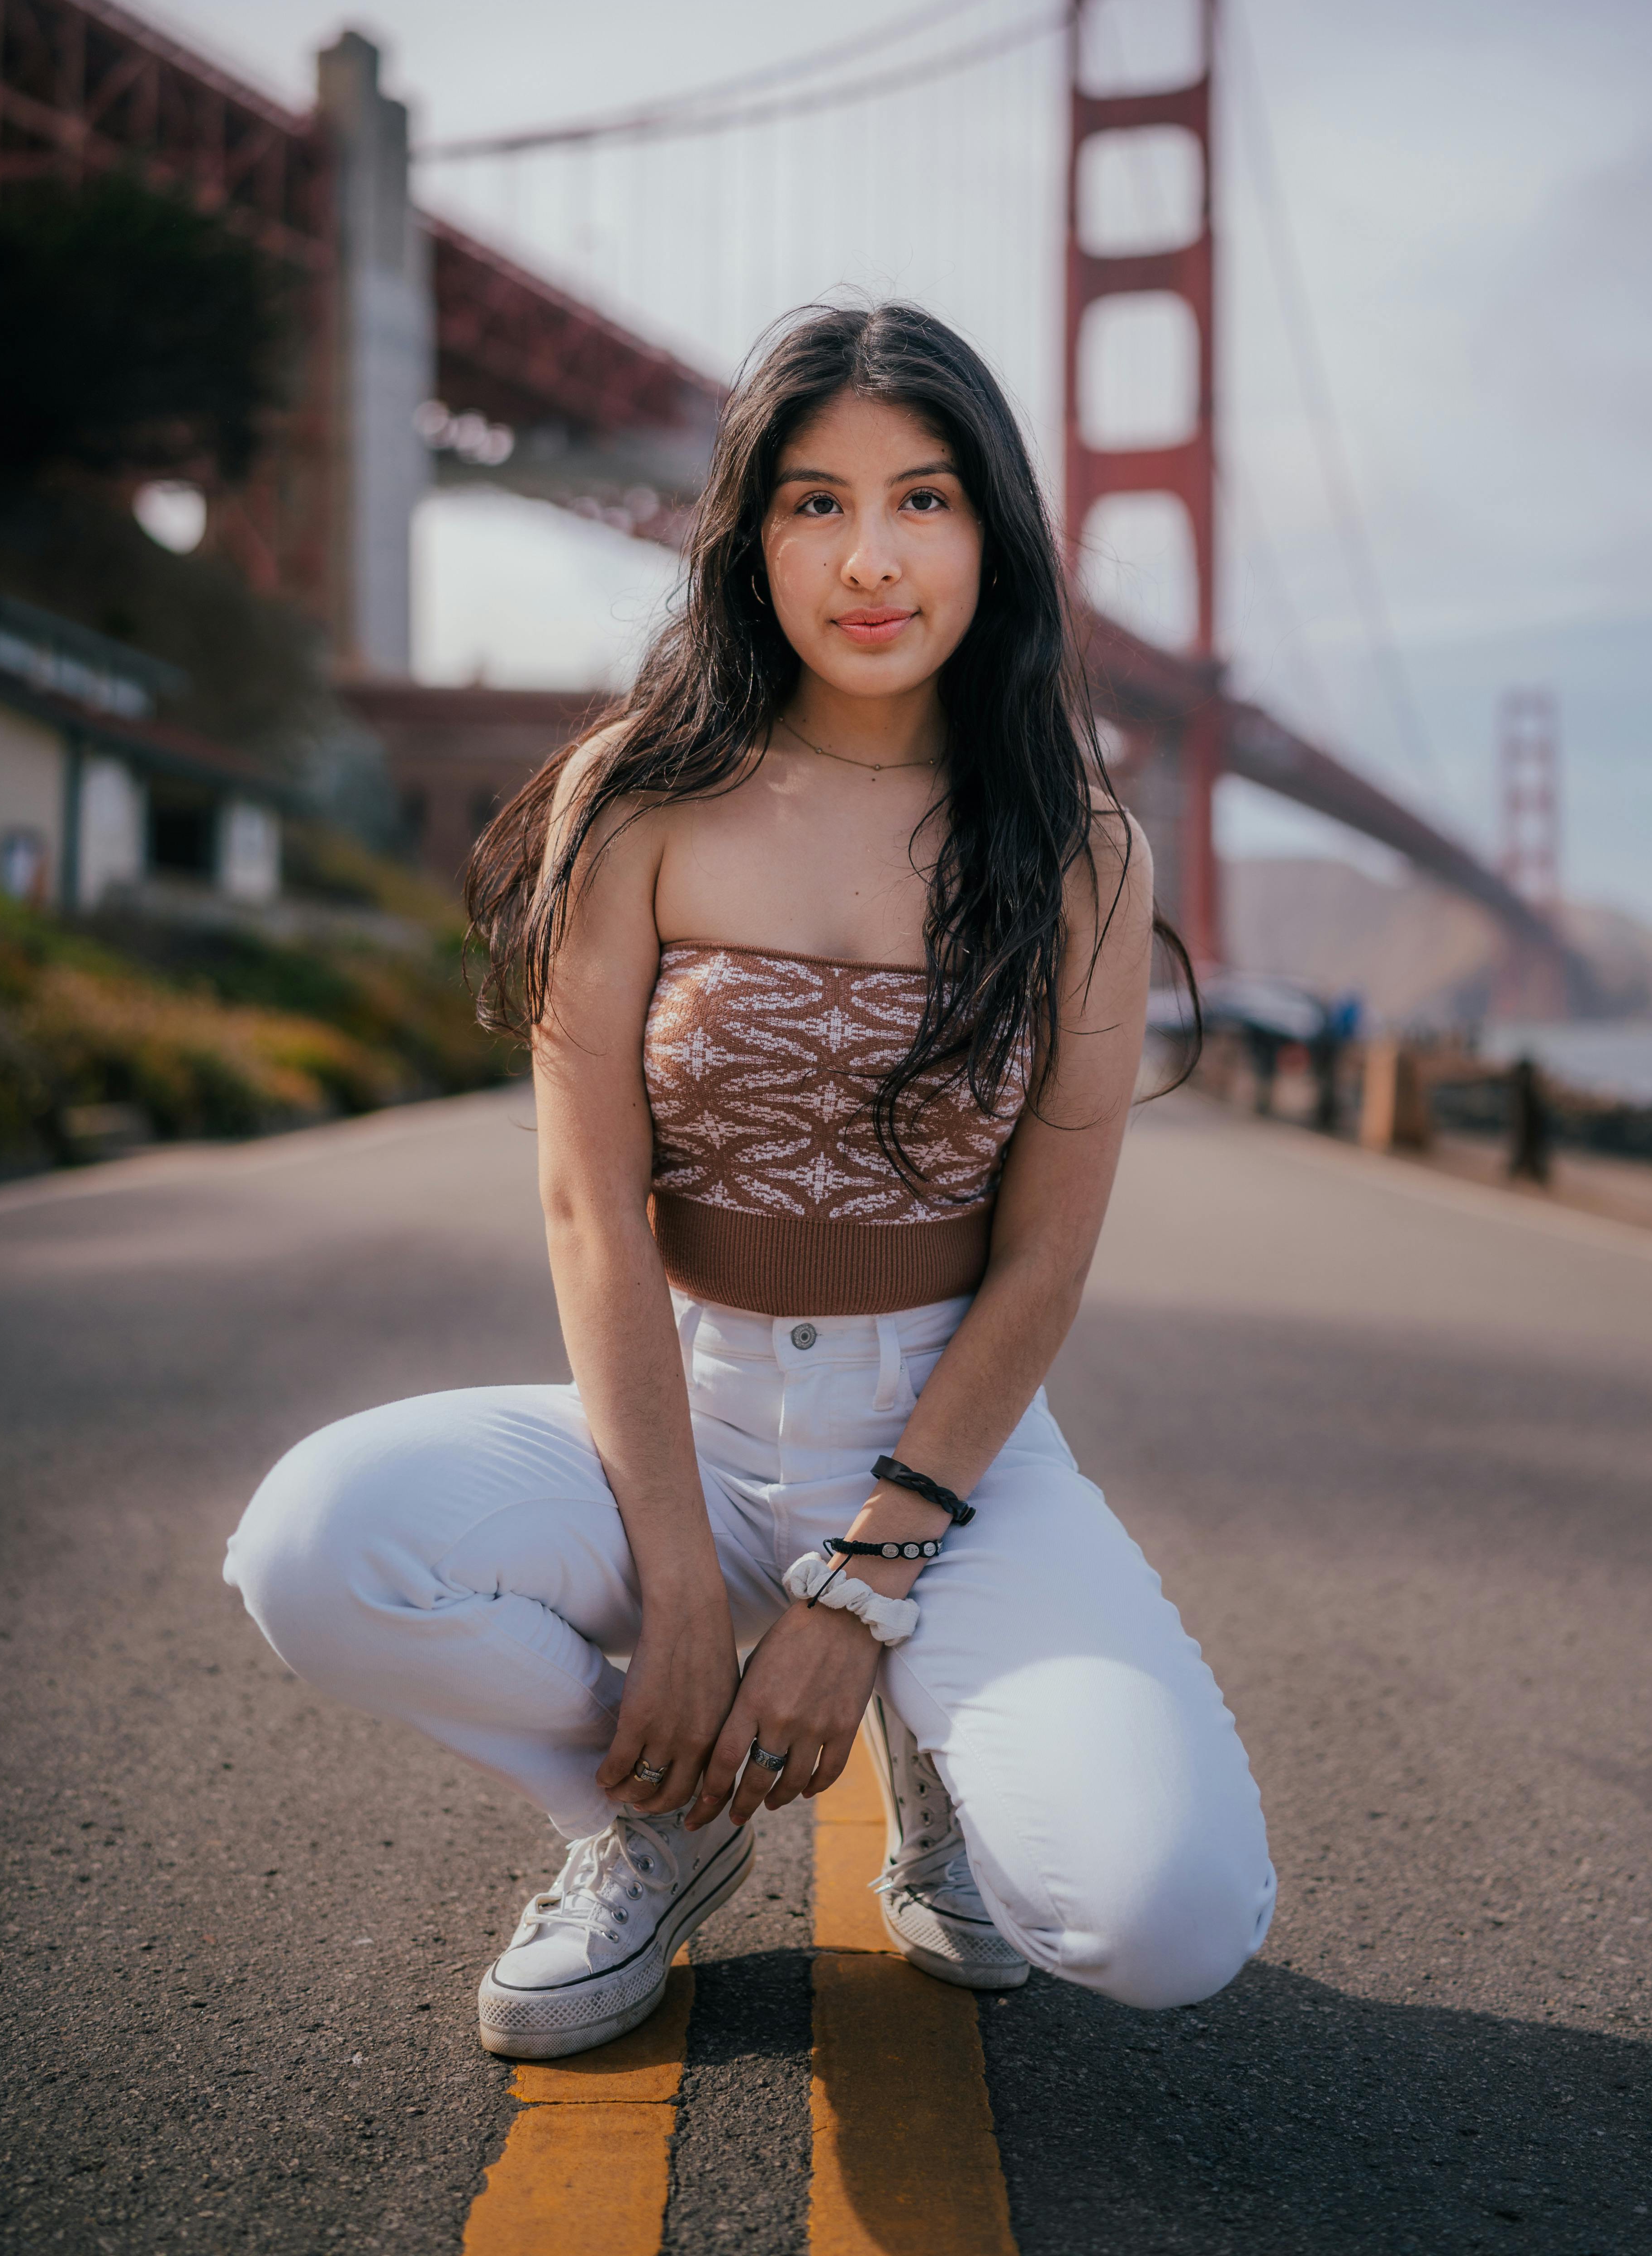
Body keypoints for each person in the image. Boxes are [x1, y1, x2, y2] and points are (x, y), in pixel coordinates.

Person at [225, 303, 1275, 2062]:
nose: (871, 559)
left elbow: (1041, 1266)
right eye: (814, 504)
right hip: (687, 1420)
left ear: (992, 535)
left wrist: (864, 1591)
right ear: (749, 535)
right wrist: (681, 1598)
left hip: (950, 1454)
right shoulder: (636, 799)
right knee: (314, 1547)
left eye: (923, 499)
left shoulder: (1078, 847)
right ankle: (654, 1814)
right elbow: (590, 1208)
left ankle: (942, 1763)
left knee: (1163, 1921)